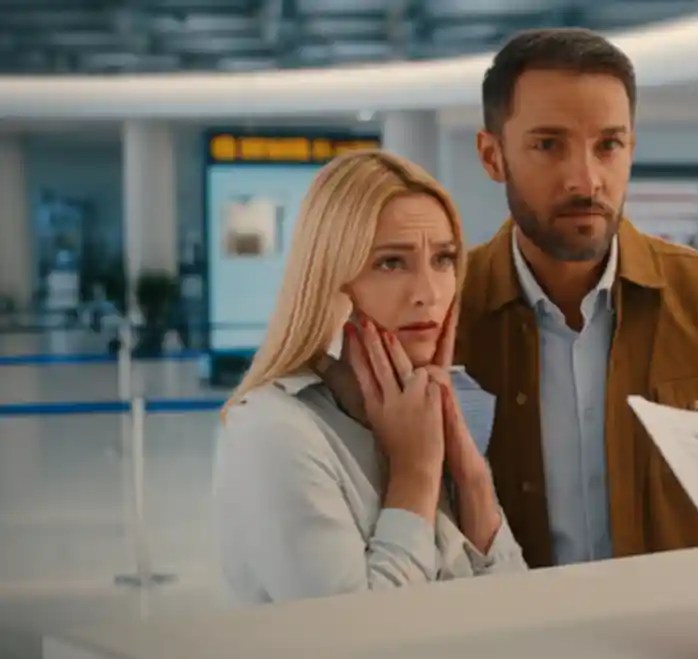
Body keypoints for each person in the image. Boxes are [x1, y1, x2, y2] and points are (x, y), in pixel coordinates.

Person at [455, 28, 698, 569]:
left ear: (631, 149)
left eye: (608, 145)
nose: (585, 180)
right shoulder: (444, 314)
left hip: (688, 620)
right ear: (492, 156)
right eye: (549, 145)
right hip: (510, 621)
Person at [213, 150, 526, 605]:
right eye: (391, 263)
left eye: (443, 259)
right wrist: (415, 474)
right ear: (329, 280)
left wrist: (473, 482)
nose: (429, 294)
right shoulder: (272, 430)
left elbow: (517, 607)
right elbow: (358, 631)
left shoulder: (429, 406)